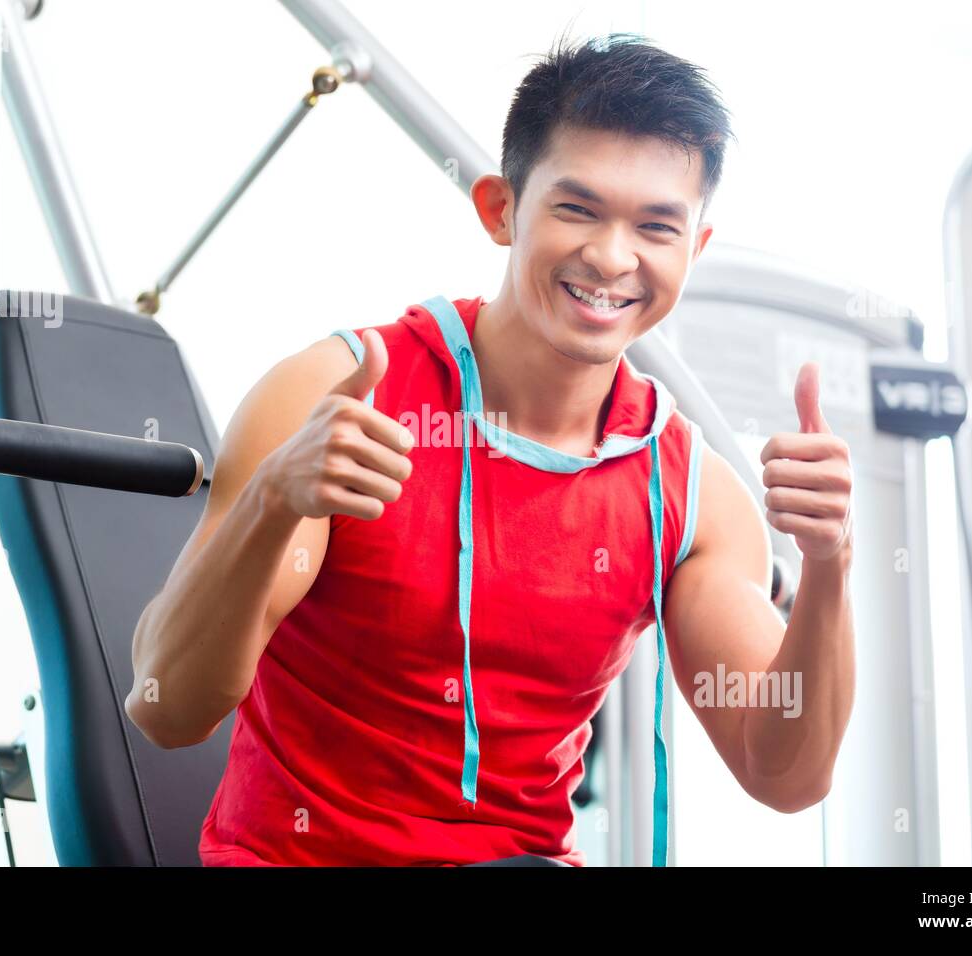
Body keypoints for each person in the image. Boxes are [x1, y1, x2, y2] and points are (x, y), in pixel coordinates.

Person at [125, 31, 856, 867]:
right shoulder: (337, 394)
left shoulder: (689, 491)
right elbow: (165, 709)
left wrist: (831, 564)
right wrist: (272, 499)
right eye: (576, 209)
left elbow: (785, 776)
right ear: (501, 209)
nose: (613, 257)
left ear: (694, 247)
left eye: (656, 226)